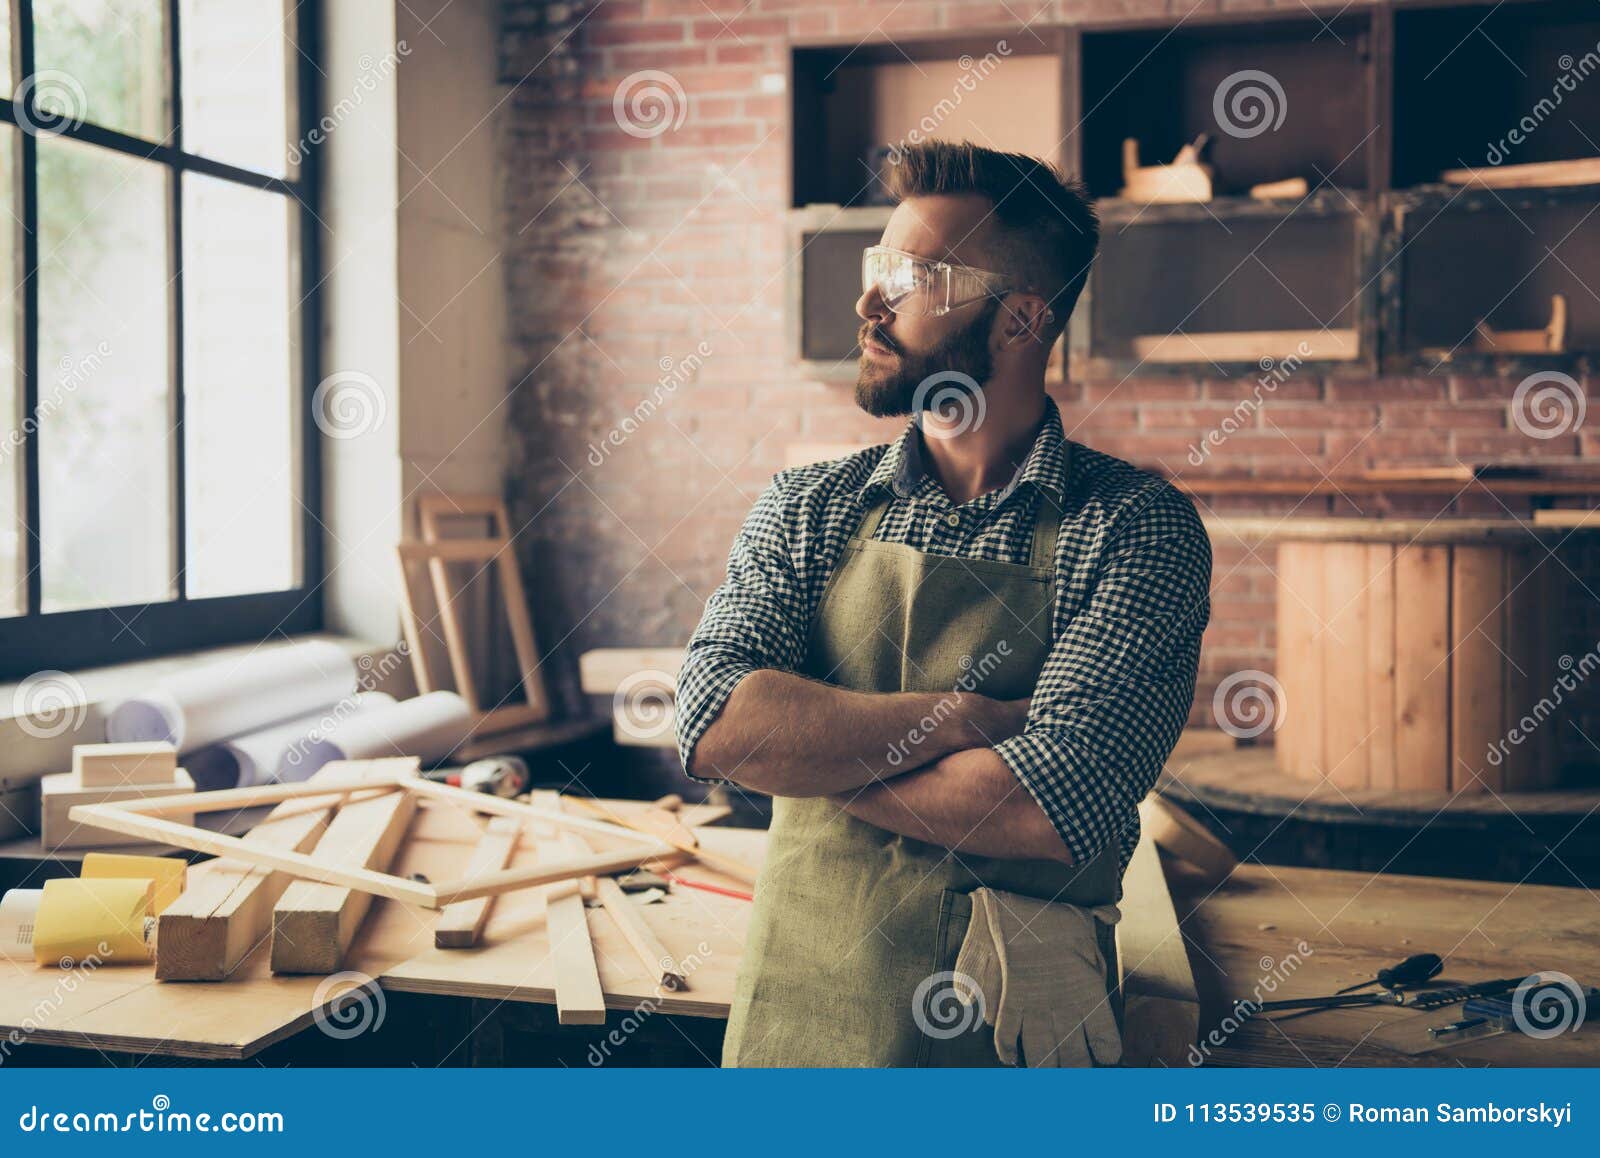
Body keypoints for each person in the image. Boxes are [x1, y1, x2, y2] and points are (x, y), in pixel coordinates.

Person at [675, 140, 1212, 1067]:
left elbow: (1042, 805)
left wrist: (804, 754)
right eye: (877, 266)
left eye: (915, 276)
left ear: (1019, 322)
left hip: (1002, 1054)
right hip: (794, 1040)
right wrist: (958, 718)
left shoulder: (1136, 530)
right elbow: (717, 725)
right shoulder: (808, 508)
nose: (868, 302)